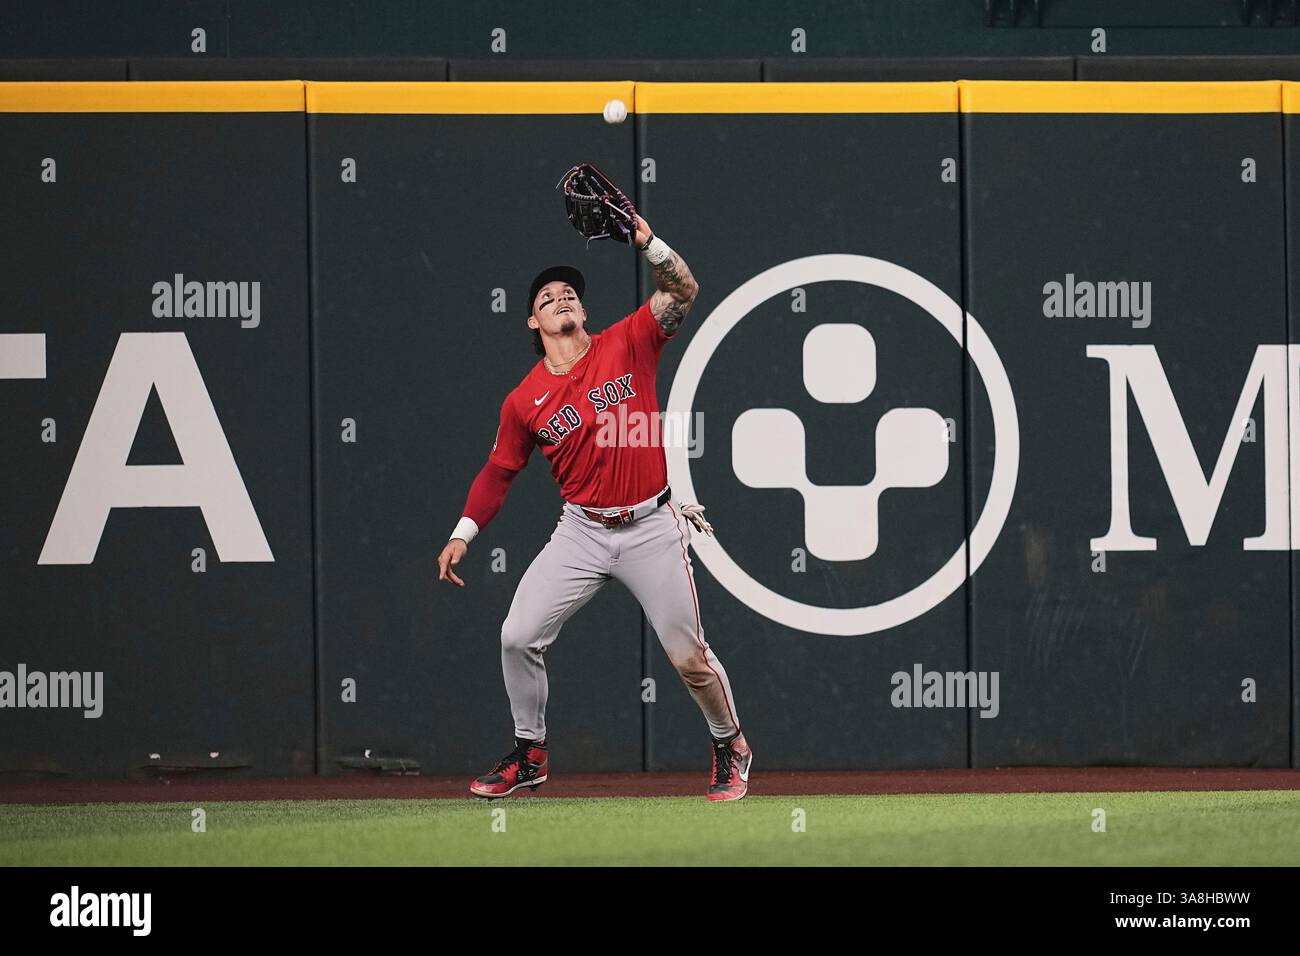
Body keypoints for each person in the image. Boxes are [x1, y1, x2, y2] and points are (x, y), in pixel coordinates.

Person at [436, 213, 751, 801]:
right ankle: (530, 753)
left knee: (689, 660)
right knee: (517, 636)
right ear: (533, 320)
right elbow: (500, 470)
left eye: (570, 294)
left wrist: (649, 243)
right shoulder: (524, 399)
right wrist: (464, 532)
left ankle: (728, 741)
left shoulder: (628, 342)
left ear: (582, 311)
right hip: (581, 531)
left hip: (652, 525)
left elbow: (683, 291)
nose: (561, 298)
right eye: (548, 297)